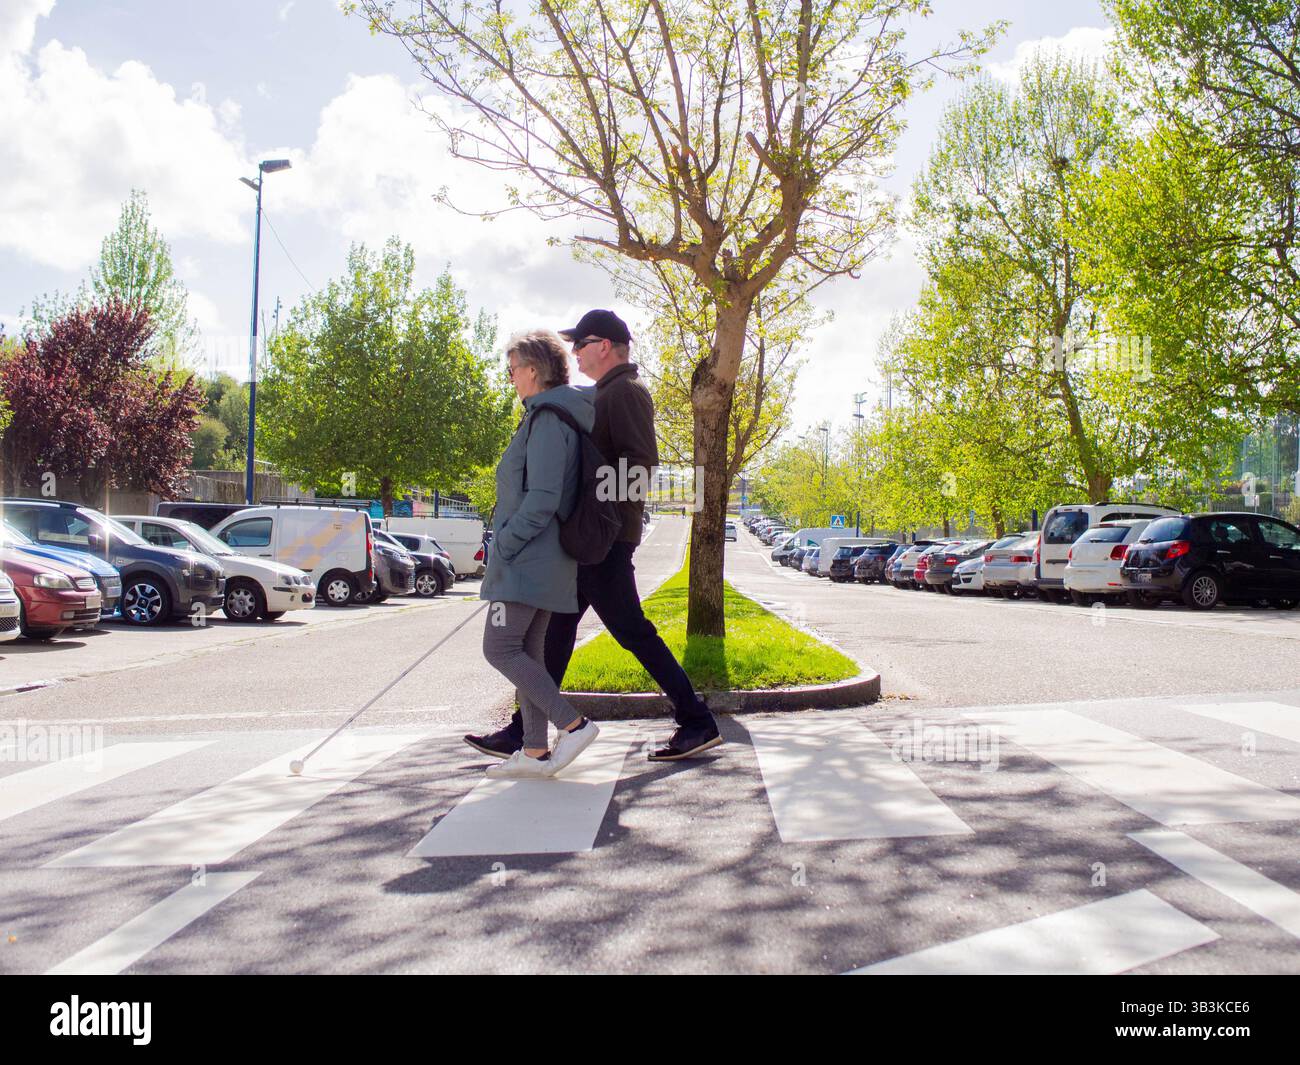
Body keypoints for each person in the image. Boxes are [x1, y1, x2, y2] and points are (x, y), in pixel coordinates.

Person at [466, 309, 723, 763]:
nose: (575, 353)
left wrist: (593, 500)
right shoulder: (603, 393)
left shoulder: (625, 392)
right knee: (557, 634)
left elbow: (641, 467)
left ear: (604, 345)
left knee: (630, 631)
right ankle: (524, 732)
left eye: (580, 344)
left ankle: (696, 720)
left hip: (604, 539)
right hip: (589, 537)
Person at [477, 330, 600, 779]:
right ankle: (534, 751)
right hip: (539, 558)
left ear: (533, 370)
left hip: (528, 558)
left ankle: (573, 723)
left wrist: (504, 545)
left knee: (499, 648)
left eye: (512, 369)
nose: (510, 378)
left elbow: (543, 497)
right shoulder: (545, 416)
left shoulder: (548, 419)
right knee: (527, 651)